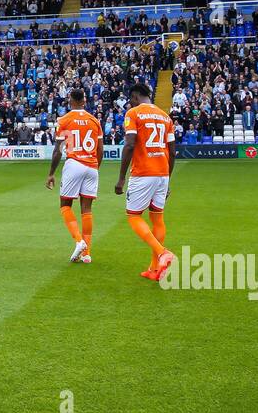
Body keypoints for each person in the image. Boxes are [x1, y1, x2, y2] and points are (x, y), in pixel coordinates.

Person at [114, 82, 176, 281]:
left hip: (143, 172)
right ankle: (154, 269)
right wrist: (168, 179)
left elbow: (130, 144)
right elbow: (173, 152)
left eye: (130, 100)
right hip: (163, 172)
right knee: (157, 218)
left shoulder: (133, 114)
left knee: (134, 216)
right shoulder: (165, 116)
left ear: (134, 96)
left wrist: (121, 178)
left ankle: (162, 252)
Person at [46, 87, 103, 264]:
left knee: (65, 205)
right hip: (92, 165)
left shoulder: (64, 120)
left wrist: (51, 174)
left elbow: (57, 150)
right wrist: (95, 167)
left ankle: (79, 241)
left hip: (74, 163)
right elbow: (100, 149)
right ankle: (87, 253)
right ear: (84, 101)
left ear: (70, 100)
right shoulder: (95, 121)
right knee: (87, 209)